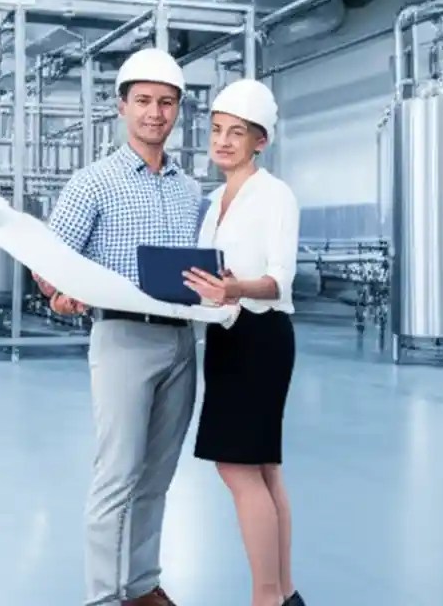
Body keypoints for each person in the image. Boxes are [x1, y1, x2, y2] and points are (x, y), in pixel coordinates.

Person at [32, 48, 203, 606]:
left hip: (182, 339)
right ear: (122, 106)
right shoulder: (93, 182)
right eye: (145, 102)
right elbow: (47, 259)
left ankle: (142, 583)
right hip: (124, 339)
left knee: (157, 476)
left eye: (167, 103)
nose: (156, 113)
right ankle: (104, 597)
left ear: (179, 111)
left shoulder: (189, 188)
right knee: (118, 477)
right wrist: (58, 293)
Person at [181, 78, 304, 606]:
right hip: (228, 336)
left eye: (237, 132)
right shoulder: (214, 203)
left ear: (260, 141)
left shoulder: (275, 195)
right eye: (216, 131)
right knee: (263, 468)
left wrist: (234, 287)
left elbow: (280, 279)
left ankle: (265, 598)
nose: (223, 141)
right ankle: (285, 593)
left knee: (237, 468)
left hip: (261, 335)